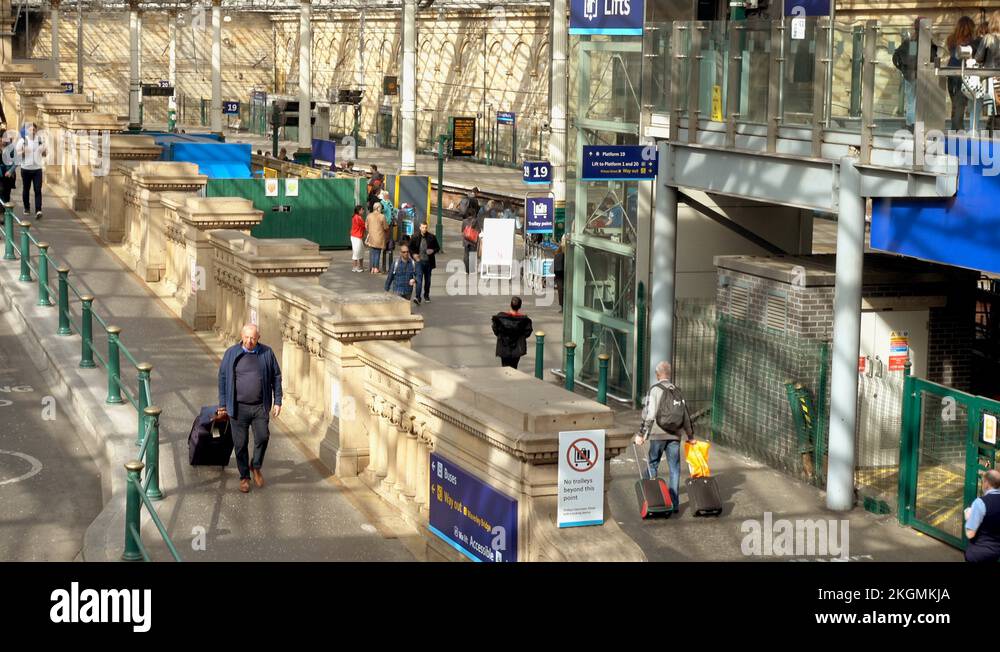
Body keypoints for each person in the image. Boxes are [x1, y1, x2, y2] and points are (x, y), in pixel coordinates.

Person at [218, 323, 283, 494]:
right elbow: (223, 378)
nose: (249, 341)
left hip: (260, 407)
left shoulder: (267, 353)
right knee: (240, 444)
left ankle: (256, 466)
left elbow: (276, 376)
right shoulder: (231, 354)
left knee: (263, 436)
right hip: (238, 408)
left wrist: (278, 401)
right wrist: (222, 405)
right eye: (246, 337)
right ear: (241, 336)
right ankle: (244, 477)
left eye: (253, 338)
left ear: (258, 338)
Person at [634, 361, 695, 512]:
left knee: (653, 463)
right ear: (670, 374)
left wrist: (641, 434)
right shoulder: (677, 391)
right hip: (675, 435)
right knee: (674, 468)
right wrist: (690, 436)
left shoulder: (654, 390)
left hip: (658, 434)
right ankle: (674, 504)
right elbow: (686, 416)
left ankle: (655, 501)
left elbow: (650, 414)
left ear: (657, 374)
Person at [892, 18, 941, 129]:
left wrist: (903, 69)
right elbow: (933, 59)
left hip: (911, 76)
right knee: (923, 103)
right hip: (924, 76)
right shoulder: (928, 43)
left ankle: (911, 125)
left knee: (911, 102)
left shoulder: (912, 42)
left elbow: (898, 58)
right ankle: (920, 125)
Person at [947, 16, 981, 130]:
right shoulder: (973, 42)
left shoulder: (951, 40)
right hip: (964, 75)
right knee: (963, 105)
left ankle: (956, 131)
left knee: (956, 106)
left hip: (951, 74)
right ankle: (961, 132)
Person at [964, 469, 1000, 562]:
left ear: (986, 484)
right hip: (996, 553)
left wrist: (968, 517)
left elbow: (970, 534)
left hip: (978, 554)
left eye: (983, 482)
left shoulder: (980, 503)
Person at [491, 297, 533, 370]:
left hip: (504, 347)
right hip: (517, 348)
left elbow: (496, 330)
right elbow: (527, 333)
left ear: (510, 304)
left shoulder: (500, 318)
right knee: (514, 367)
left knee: (504, 366)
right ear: (520, 306)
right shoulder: (524, 320)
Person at [15, 122, 45, 220]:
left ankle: (38, 210)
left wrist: (43, 151)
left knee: (37, 190)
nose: (32, 131)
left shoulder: (40, 140)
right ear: (28, 130)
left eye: (34, 129)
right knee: (26, 189)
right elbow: (17, 153)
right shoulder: (23, 140)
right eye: (30, 129)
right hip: (26, 169)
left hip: (37, 169)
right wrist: (23, 151)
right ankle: (27, 207)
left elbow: (45, 154)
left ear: (36, 130)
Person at [408, 221, 440, 305]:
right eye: (423, 227)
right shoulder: (415, 237)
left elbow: (437, 247)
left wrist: (433, 250)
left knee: (428, 280)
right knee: (418, 280)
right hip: (419, 262)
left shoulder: (431, 237)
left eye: (425, 227)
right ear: (420, 227)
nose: (424, 229)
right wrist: (413, 255)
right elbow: (410, 248)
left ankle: (426, 295)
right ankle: (418, 297)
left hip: (428, 262)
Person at [365, 202, 388, 274]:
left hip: (371, 237)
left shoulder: (369, 216)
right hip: (379, 237)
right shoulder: (382, 216)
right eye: (380, 207)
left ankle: (372, 268)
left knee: (372, 253)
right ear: (378, 208)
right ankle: (376, 268)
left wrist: (371, 230)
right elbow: (386, 227)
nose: (381, 209)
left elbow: (366, 226)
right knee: (377, 253)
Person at [0, 133, 17, 206]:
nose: (2, 141)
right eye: (1, 140)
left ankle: (6, 211)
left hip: (8, 174)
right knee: (1, 190)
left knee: (6, 193)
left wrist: (10, 171)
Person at [461, 207, 480, 274]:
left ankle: (467, 270)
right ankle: (471, 270)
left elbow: (462, 230)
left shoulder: (464, 221)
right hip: (473, 241)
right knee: (472, 254)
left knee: (466, 255)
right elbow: (479, 230)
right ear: (474, 214)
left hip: (466, 241)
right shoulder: (475, 221)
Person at [350, 204, 366, 273]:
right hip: (356, 237)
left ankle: (359, 266)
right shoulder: (358, 218)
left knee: (360, 251)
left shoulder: (356, 217)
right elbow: (364, 225)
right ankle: (355, 267)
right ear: (359, 210)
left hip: (357, 236)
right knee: (357, 252)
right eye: (362, 210)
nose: (363, 211)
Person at [553, 234, 566, 313]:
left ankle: (562, 307)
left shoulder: (557, 255)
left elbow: (555, 269)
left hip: (559, 276)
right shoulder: (562, 255)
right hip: (563, 275)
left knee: (561, 291)